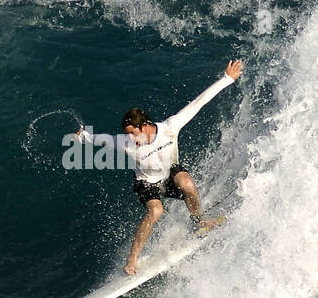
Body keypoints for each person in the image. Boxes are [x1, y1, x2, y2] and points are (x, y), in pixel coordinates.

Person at [76, 59, 242, 275]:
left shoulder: (170, 128)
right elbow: (100, 139)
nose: (131, 138)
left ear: (145, 126)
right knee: (156, 211)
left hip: (169, 172)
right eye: (127, 134)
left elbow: (199, 103)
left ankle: (200, 222)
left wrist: (227, 79)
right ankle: (132, 259)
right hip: (146, 183)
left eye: (133, 133)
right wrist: (83, 137)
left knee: (188, 184)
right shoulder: (126, 143)